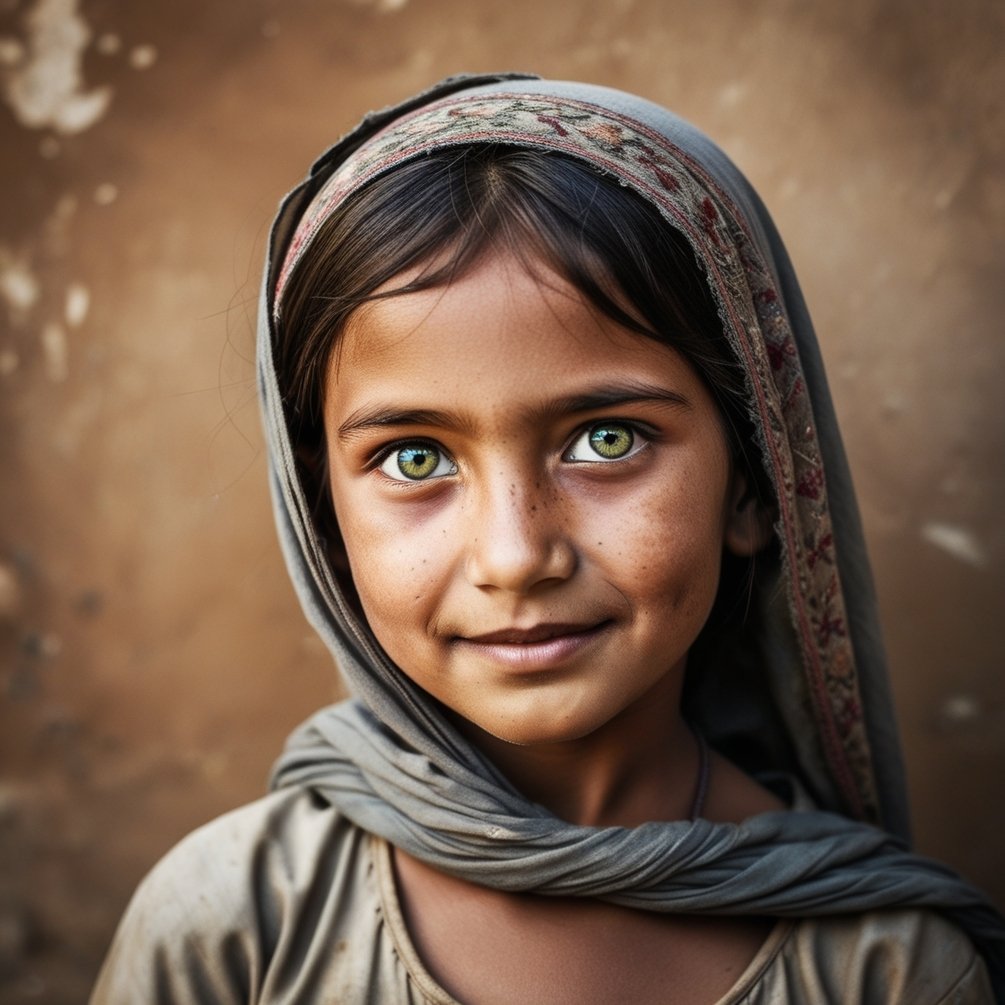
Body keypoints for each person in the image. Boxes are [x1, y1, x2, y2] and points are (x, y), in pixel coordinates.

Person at [91, 73, 1005, 1003]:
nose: (515, 555)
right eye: (413, 458)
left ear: (753, 484)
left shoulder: (888, 967)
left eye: (606, 440)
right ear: (321, 511)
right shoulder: (236, 926)